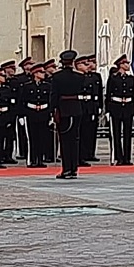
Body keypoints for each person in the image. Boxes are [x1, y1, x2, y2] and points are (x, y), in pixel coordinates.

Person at [49, 50, 86, 179]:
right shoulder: (80, 77)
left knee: (65, 140)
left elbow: (54, 95)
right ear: (73, 63)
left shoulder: (57, 77)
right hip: (76, 109)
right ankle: (74, 169)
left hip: (63, 110)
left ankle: (66, 169)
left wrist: (52, 110)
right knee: (75, 140)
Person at [19, 63, 53, 168]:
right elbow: (22, 101)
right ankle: (32, 159)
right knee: (32, 138)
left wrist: (51, 114)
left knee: (42, 137)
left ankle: (40, 159)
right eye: (41, 72)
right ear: (35, 74)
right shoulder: (27, 86)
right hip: (31, 113)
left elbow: (50, 101)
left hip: (43, 113)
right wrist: (21, 115)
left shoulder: (47, 86)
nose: (44, 74)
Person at [105, 55, 134, 166]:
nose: (128, 65)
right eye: (126, 63)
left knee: (128, 133)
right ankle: (118, 157)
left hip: (128, 106)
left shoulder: (131, 79)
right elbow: (109, 95)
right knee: (116, 133)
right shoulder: (113, 78)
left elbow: (133, 94)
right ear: (121, 65)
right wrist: (108, 110)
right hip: (116, 106)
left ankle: (127, 157)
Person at [77, 55, 103, 165]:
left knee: (91, 131)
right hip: (82, 105)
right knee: (82, 132)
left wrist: (100, 106)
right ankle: (82, 154)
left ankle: (90, 153)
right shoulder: (78, 77)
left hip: (92, 106)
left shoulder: (95, 77)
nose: (89, 66)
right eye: (85, 64)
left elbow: (98, 93)